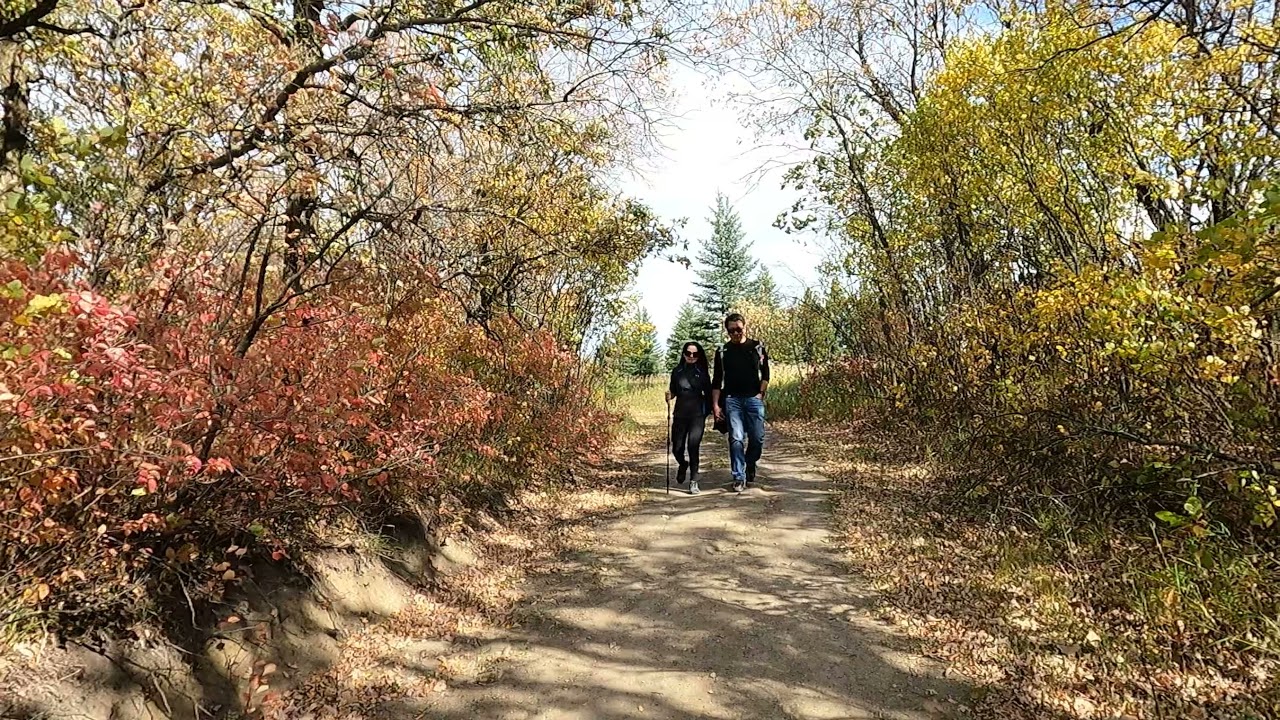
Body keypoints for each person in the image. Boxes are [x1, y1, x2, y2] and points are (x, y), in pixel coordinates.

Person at [711, 313, 769, 493]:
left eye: (739, 329)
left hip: (753, 399)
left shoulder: (757, 347)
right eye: (731, 330)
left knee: (757, 438)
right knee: (736, 438)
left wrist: (760, 394)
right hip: (732, 400)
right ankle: (738, 476)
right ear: (727, 331)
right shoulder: (722, 352)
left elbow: (765, 374)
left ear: (745, 326)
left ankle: (749, 463)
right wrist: (715, 405)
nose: (735, 333)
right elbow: (717, 380)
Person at [665, 341, 711, 495]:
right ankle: (683, 464)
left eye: (695, 354)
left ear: (699, 356)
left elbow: (709, 393)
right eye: (689, 353)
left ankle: (693, 481)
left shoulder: (702, 372)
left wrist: (711, 410)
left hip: (697, 415)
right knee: (677, 448)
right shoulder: (677, 371)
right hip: (680, 414)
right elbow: (673, 391)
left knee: (693, 446)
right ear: (684, 354)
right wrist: (669, 396)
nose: (692, 356)